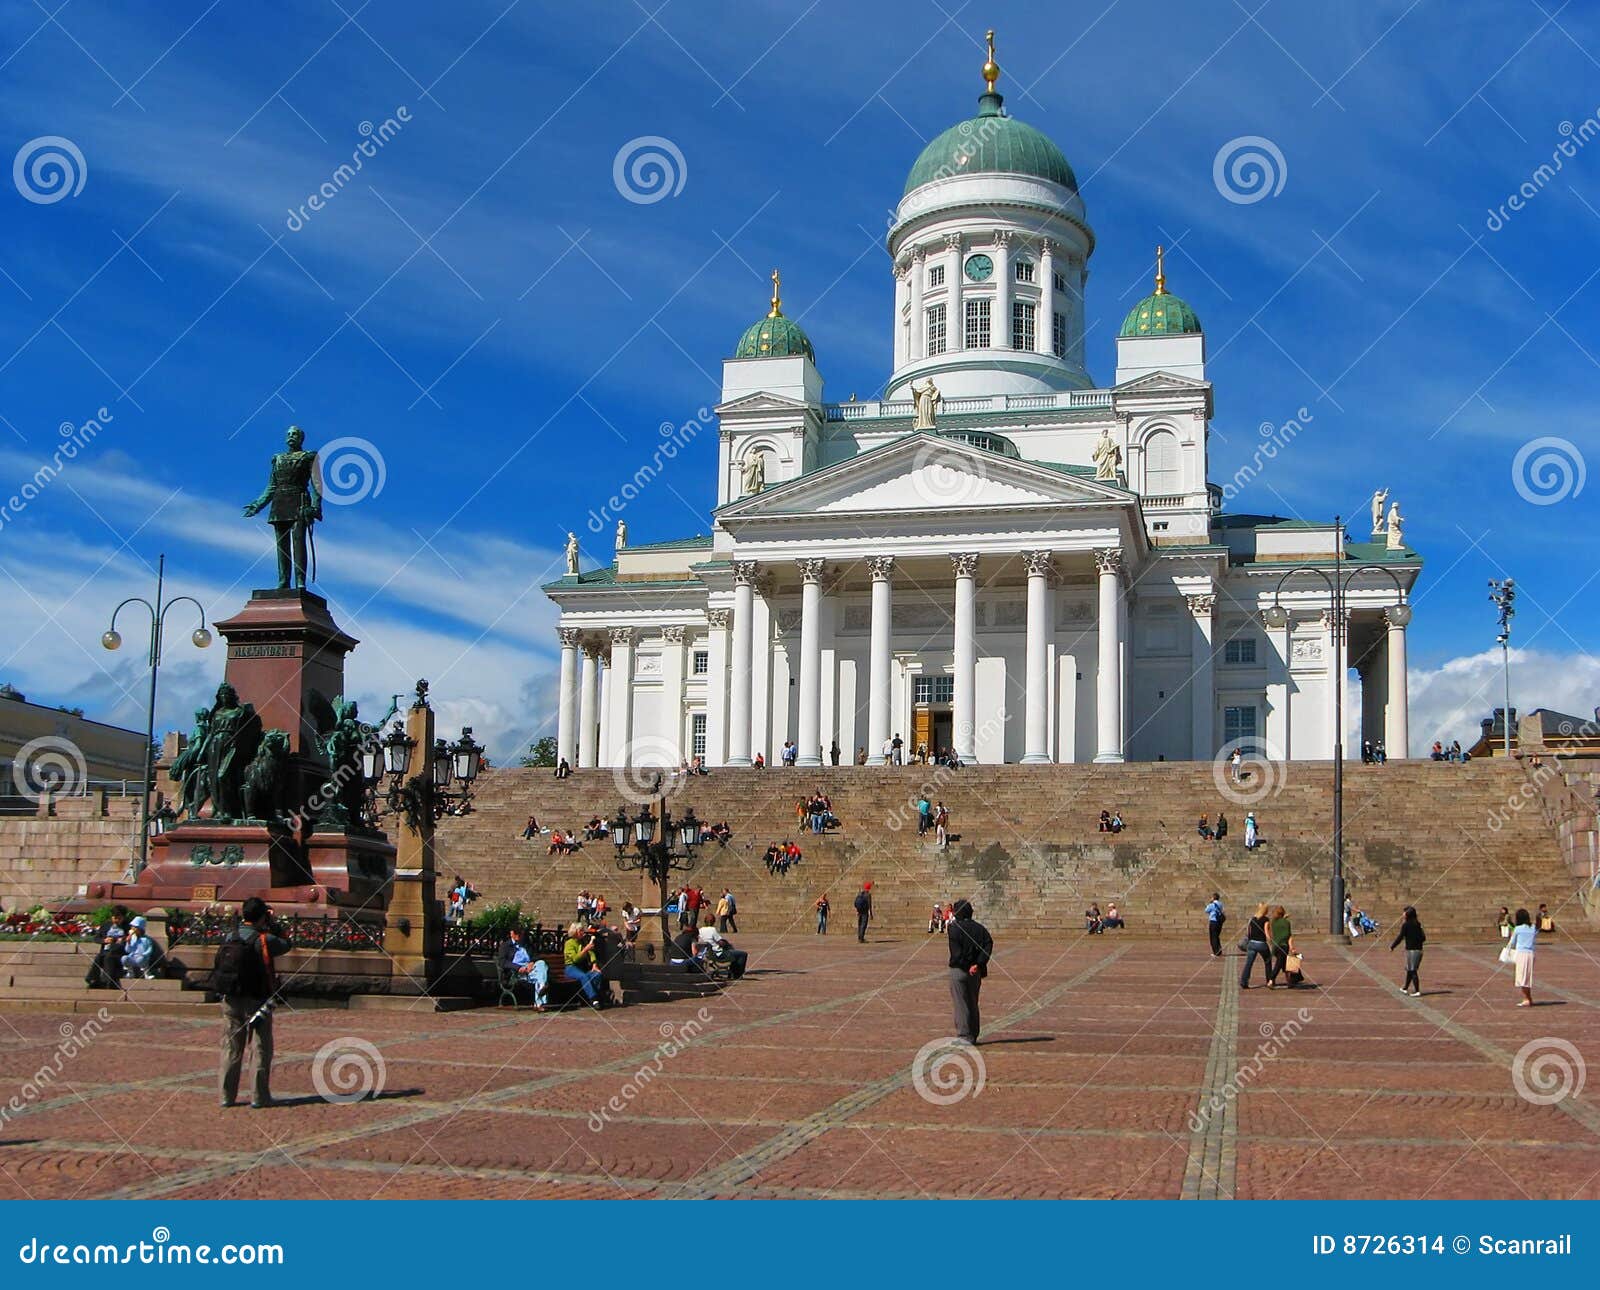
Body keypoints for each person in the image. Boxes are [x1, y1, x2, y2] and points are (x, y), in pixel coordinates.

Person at [218, 897, 292, 1109]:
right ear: (262, 916)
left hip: (231, 998)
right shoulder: (264, 940)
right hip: (257, 999)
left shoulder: (229, 936)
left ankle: (226, 1096)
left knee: (231, 1048)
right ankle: (259, 1097)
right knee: (260, 1047)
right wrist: (274, 923)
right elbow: (287, 943)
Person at [945, 898, 992, 1044]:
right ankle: (974, 1034)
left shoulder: (954, 929)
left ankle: (964, 1036)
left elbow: (957, 953)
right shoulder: (980, 929)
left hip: (959, 970)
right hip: (975, 972)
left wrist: (968, 965)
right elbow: (989, 943)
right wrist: (978, 963)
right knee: (973, 1002)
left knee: (961, 1004)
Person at [498, 926, 549, 1010]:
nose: (520, 936)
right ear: (512, 934)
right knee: (541, 977)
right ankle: (539, 1002)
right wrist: (518, 967)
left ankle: (541, 988)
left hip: (530, 969)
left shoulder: (526, 944)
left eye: (521, 934)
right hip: (516, 972)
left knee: (542, 964)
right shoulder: (506, 946)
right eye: (517, 934)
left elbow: (535, 956)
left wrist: (531, 962)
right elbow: (502, 962)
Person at [562, 922, 605, 1009]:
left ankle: (590, 997)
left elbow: (592, 953)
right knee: (583, 976)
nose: (583, 933)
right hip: (571, 967)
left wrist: (594, 964)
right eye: (581, 931)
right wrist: (585, 949)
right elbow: (575, 959)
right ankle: (594, 999)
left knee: (597, 974)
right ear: (575, 932)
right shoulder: (569, 943)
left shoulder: (583, 941)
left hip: (581, 968)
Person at [84, 910, 129, 989]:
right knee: (99, 957)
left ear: (123, 918)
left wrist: (123, 939)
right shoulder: (106, 925)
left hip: (120, 952)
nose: (116, 921)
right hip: (106, 950)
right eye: (115, 918)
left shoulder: (127, 927)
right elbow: (96, 938)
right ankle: (92, 978)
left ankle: (106, 981)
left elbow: (131, 939)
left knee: (108, 957)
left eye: (119, 918)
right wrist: (104, 940)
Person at [1390, 905, 1425, 996]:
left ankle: (1417, 991)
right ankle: (1405, 988)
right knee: (1409, 969)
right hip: (1418, 950)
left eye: (1404, 912)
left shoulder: (1406, 925)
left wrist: (1393, 946)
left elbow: (1400, 937)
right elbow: (1423, 938)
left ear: (1408, 914)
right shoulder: (1418, 924)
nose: (1403, 914)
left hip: (1412, 950)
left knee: (1413, 970)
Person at [1238, 903, 1275, 990]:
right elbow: (1266, 932)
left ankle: (1244, 981)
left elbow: (1248, 932)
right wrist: (1271, 941)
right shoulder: (1265, 920)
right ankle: (1269, 980)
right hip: (1261, 943)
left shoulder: (1252, 919)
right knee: (1267, 961)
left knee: (1249, 963)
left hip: (1251, 943)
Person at [1508, 907, 1537, 1006]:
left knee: (1522, 977)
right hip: (1530, 953)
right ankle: (1528, 998)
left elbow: (1512, 942)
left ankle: (1526, 999)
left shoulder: (1518, 929)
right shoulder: (1533, 927)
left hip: (1521, 953)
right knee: (1527, 976)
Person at [1267, 905, 1295, 988]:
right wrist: (1291, 947)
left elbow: (1279, 923)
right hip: (1283, 946)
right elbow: (1288, 935)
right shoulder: (1287, 923)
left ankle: (1289, 981)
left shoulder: (1273, 922)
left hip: (1275, 947)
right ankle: (1271, 980)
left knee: (1284, 964)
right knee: (1279, 964)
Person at [1204, 892, 1225, 957]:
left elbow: (1206, 910)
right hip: (1219, 922)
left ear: (1213, 898)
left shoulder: (1212, 905)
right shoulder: (1220, 904)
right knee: (1217, 936)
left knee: (1213, 937)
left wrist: (1210, 903)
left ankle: (1216, 952)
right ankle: (1219, 950)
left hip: (1213, 922)